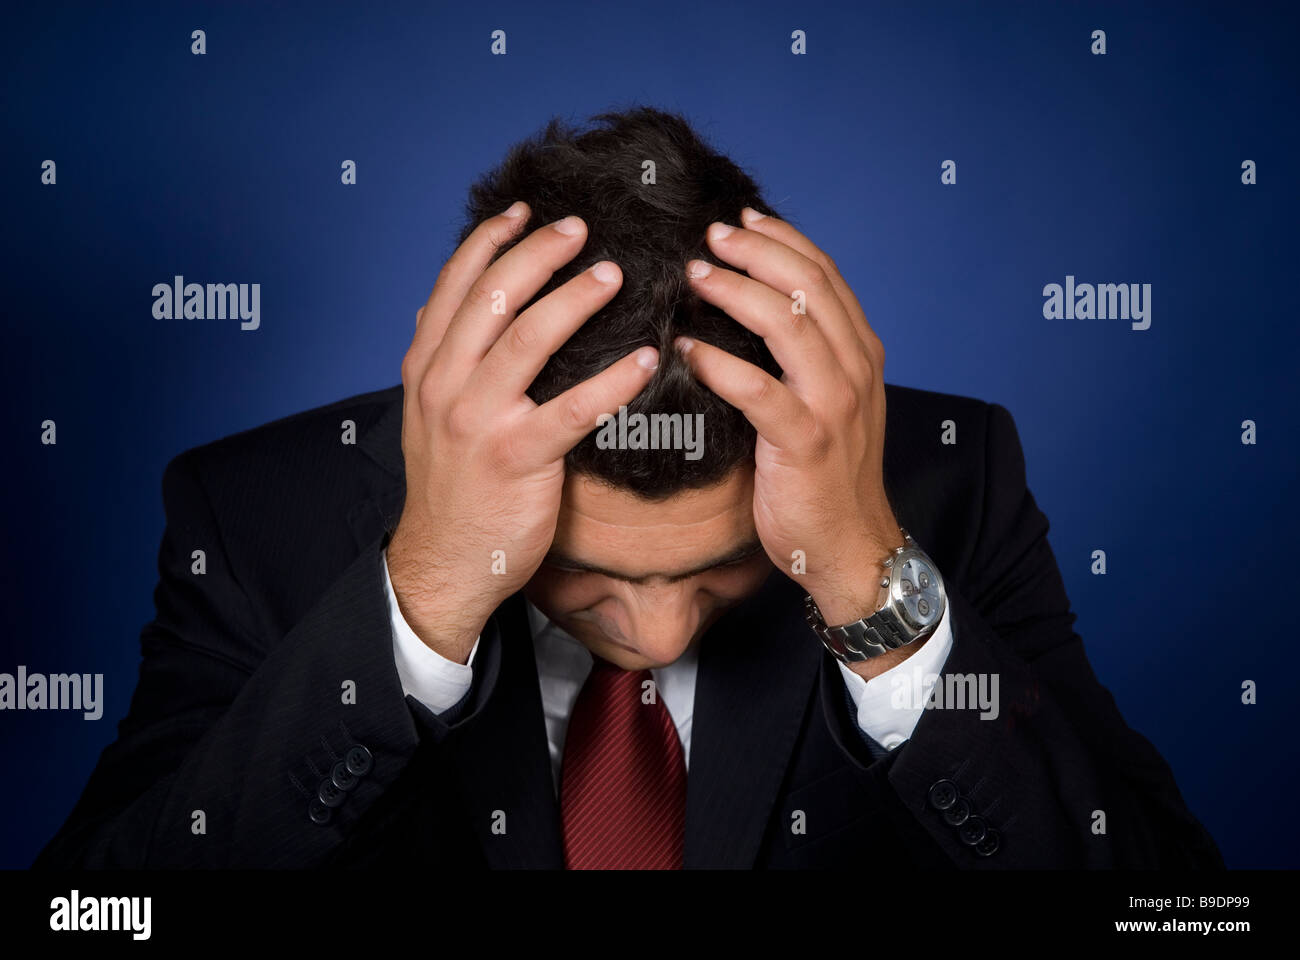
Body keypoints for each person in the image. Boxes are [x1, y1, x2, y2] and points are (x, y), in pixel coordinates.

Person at [34, 107, 1222, 869]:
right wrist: (428, 591)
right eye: (585, 575)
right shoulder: (250, 518)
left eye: (717, 570)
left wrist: (871, 589)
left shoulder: (948, 484)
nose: (653, 632)